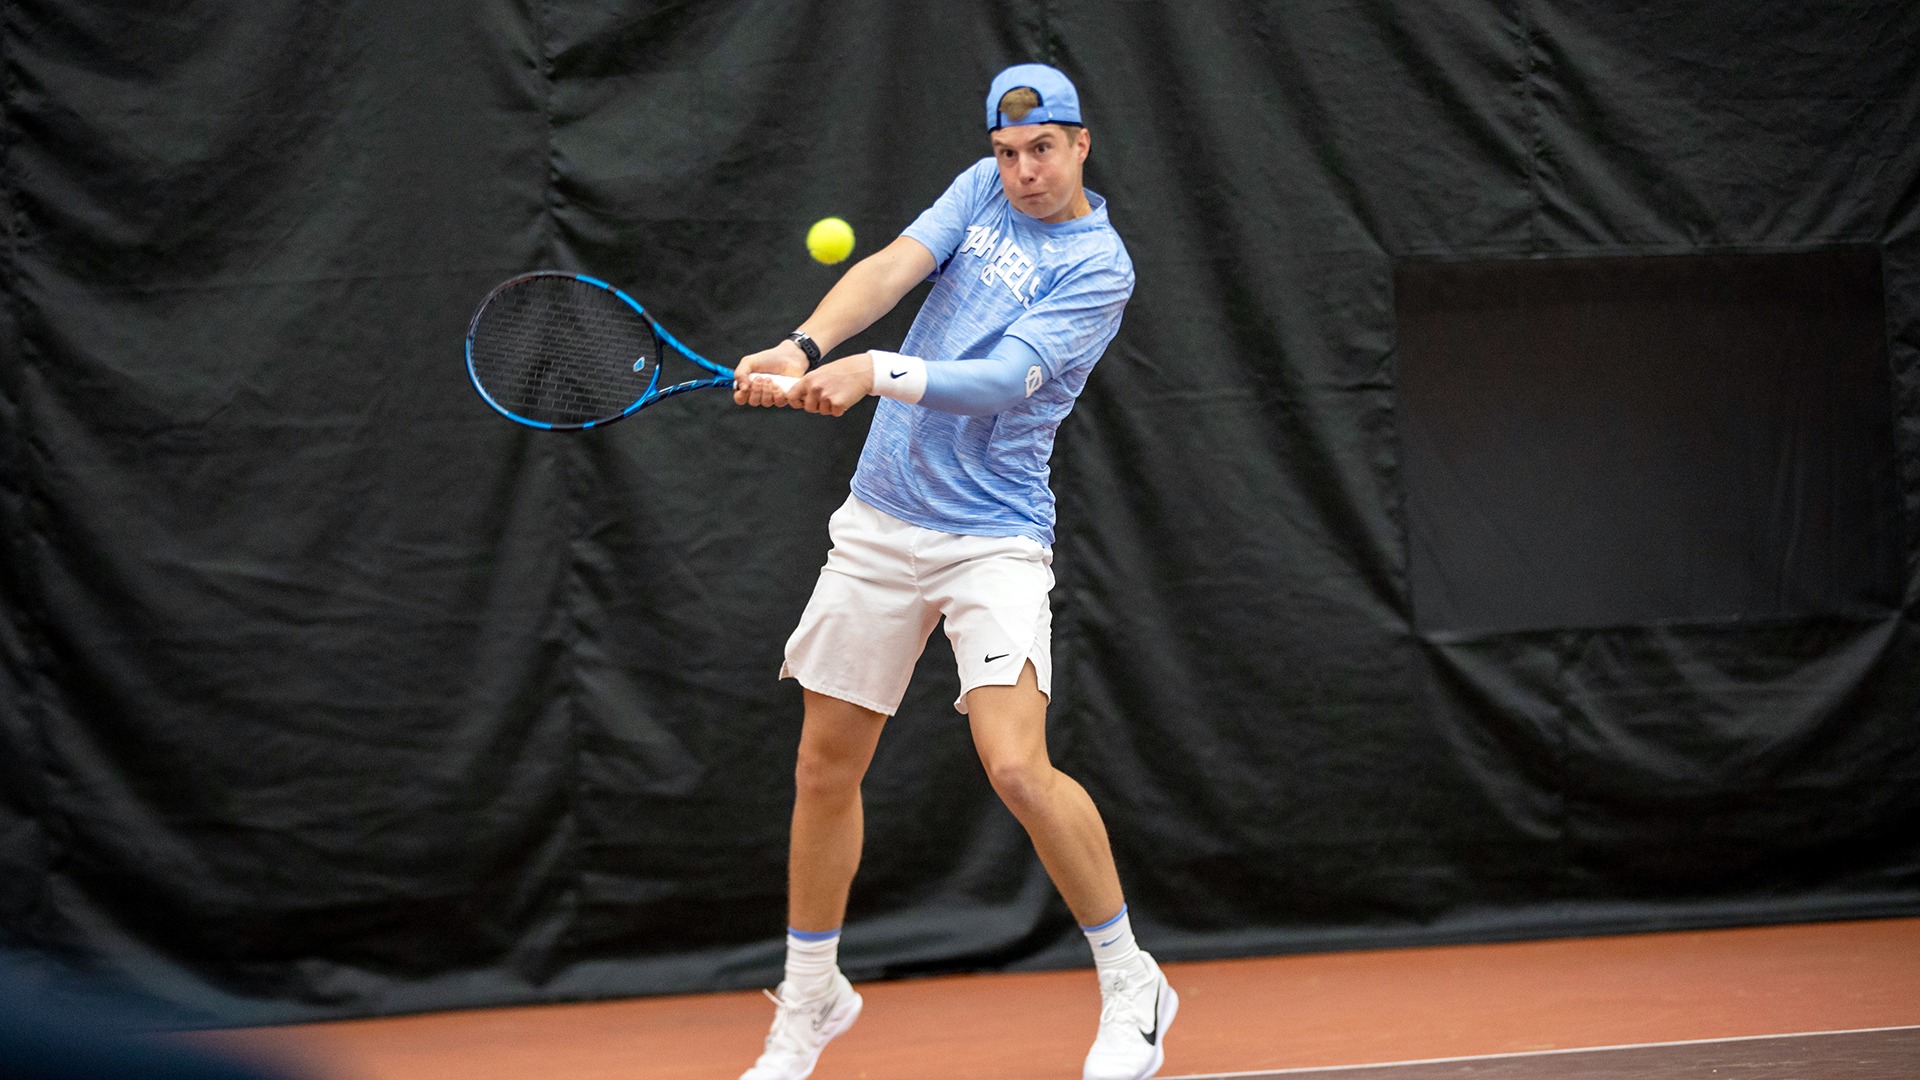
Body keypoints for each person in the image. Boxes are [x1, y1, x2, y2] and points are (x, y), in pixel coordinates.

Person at [731, 63, 1173, 1080]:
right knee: (823, 768)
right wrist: (802, 346)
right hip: (881, 521)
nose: (1023, 172)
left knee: (1015, 765)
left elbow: (1004, 379)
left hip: (992, 538)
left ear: (1081, 145)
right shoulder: (980, 192)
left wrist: (873, 372)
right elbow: (893, 266)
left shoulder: (1099, 266)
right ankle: (810, 997)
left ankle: (1130, 981)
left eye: (1042, 150)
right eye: (1008, 153)